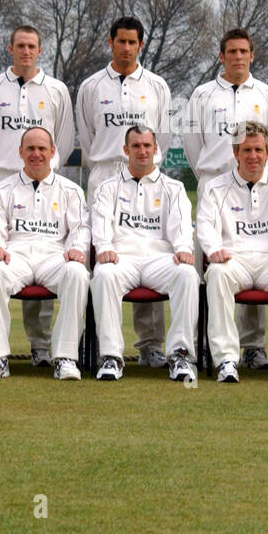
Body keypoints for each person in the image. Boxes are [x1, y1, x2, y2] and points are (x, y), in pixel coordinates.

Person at [0, 24, 74, 367]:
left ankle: (42, 347)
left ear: (40, 50)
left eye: (32, 46)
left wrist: (42, 165)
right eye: (20, 46)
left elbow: (65, 139)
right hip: (0, 177)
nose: (26, 51)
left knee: (46, 256)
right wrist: (1, 166)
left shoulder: (56, 90)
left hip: (44, 179)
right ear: (10, 48)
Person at [183, 28, 268, 373]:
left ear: (252, 56)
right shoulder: (201, 95)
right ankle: (205, 346)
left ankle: (253, 346)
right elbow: (192, 144)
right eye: (231, 51)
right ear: (221, 56)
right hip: (215, 185)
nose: (238, 57)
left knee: (256, 258)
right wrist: (212, 177)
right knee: (208, 269)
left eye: (244, 51)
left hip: (255, 186)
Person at [75, 16, 172, 367]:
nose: (126, 48)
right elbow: (88, 137)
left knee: (149, 250)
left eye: (133, 42)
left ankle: (150, 346)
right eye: (121, 42)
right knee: (102, 260)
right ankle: (103, 346)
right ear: (110, 42)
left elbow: (162, 136)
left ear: (141, 45)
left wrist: (142, 162)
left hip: (146, 176)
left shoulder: (157, 86)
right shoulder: (91, 87)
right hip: (105, 176)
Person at [197, 121, 268, 384]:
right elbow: (205, 225)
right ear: (235, 153)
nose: (253, 156)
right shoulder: (216, 187)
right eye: (246, 150)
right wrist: (214, 249)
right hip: (234, 259)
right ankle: (226, 360)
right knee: (216, 273)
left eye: (258, 150)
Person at [0, 127, 90, 381]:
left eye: (42, 149)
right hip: (16, 255)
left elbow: (81, 228)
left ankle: (65, 357)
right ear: (20, 152)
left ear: (52, 152)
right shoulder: (3, 189)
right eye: (30, 149)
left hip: (54, 256)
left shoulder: (70, 190)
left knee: (77, 273)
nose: (36, 154)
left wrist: (76, 248)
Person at [89, 125, 199, 382]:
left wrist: (183, 248)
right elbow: (101, 223)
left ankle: (180, 355)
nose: (142, 151)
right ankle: (111, 357)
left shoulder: (173, 188)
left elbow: (181, 225)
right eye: (136, 146)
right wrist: (104, 248)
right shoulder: (108, 188)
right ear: (125, 150)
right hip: (122, 258)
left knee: (187, 274)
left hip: (158, 260)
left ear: (155, 149)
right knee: (103, 273)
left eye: (147, 145)